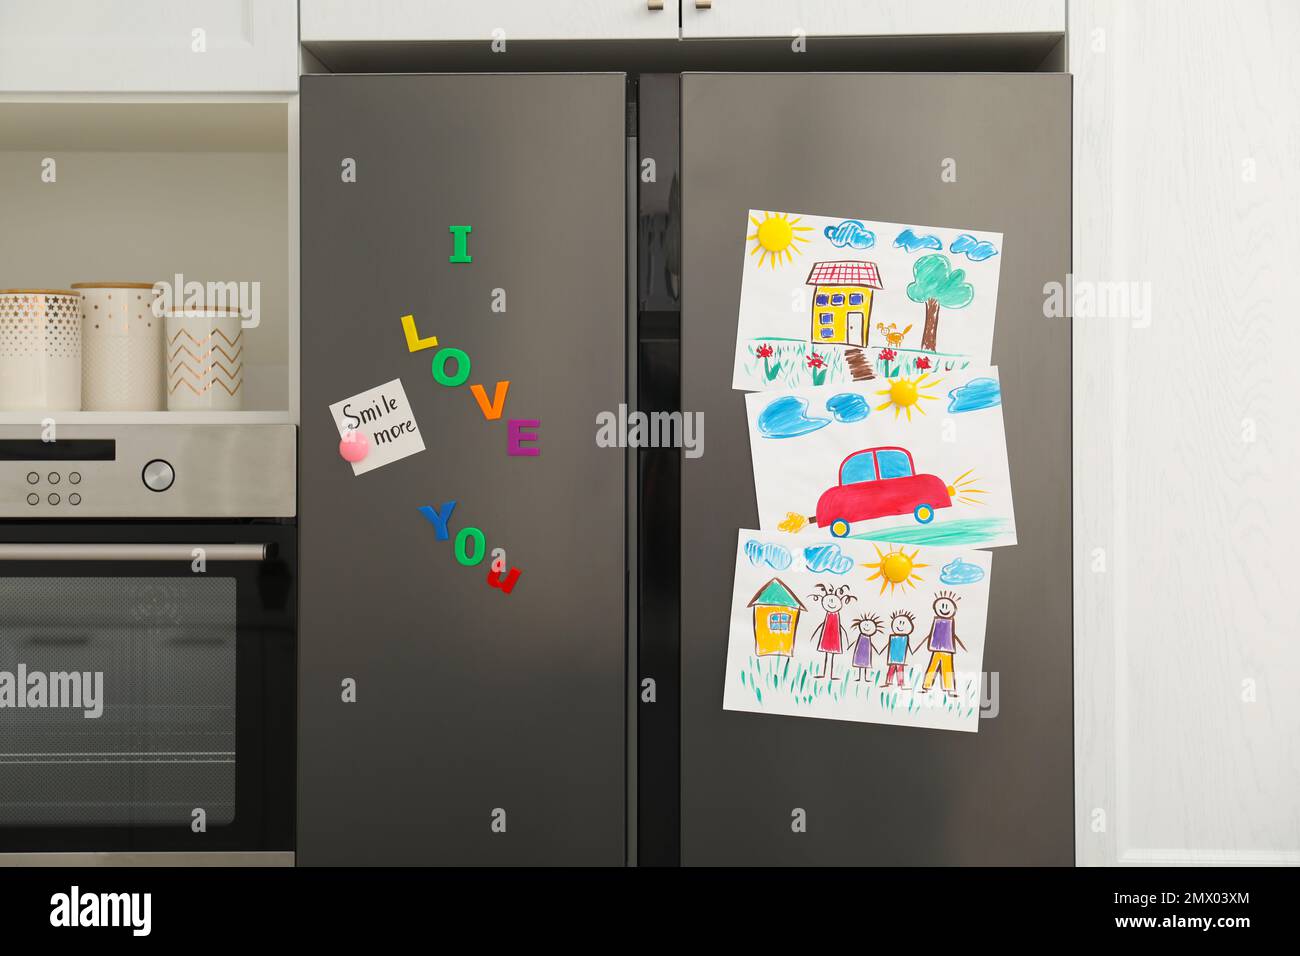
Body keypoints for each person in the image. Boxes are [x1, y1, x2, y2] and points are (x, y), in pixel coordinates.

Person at [917, 591, 965, 698]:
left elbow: (953, 635)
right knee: (932, 667)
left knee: (947, 668)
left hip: (947, 649)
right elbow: (932, 634)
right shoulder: (936, 621)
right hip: (936, 648)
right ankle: (926, 686)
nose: (944, 608)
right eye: (941, 606)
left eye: (947, 606)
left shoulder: (951, 621)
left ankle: (950, 689)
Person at [808, 583, 856, 680]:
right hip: (826, 637)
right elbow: (823, 625)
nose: (831, 603)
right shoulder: (828, 615)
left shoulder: (836, 616)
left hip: (834, 638)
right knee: (827, 655)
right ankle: (824, 674)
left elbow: (839, 627)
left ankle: (830, 674)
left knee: (832, 656)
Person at [882, 611, 914, 688]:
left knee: (900, 670)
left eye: (903, 623)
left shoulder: (905, 638)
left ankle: (900, 683)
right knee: (891, 669)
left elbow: (908, 647)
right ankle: (889, 682)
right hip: (893, 657)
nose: (900, 626)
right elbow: (888, 645)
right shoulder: (893, 637)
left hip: (900, 658)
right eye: (899, 623)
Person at [849, 613, 884, 682]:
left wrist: (877, 650)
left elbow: (871, 644)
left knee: (865, 664)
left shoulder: (868, 638)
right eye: (865, 624)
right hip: (859, 651)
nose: (866, 627)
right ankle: (859, 677)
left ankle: (864, 678)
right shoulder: (861, 636)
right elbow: (855, 642)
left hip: (866, 653)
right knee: (859, 664)